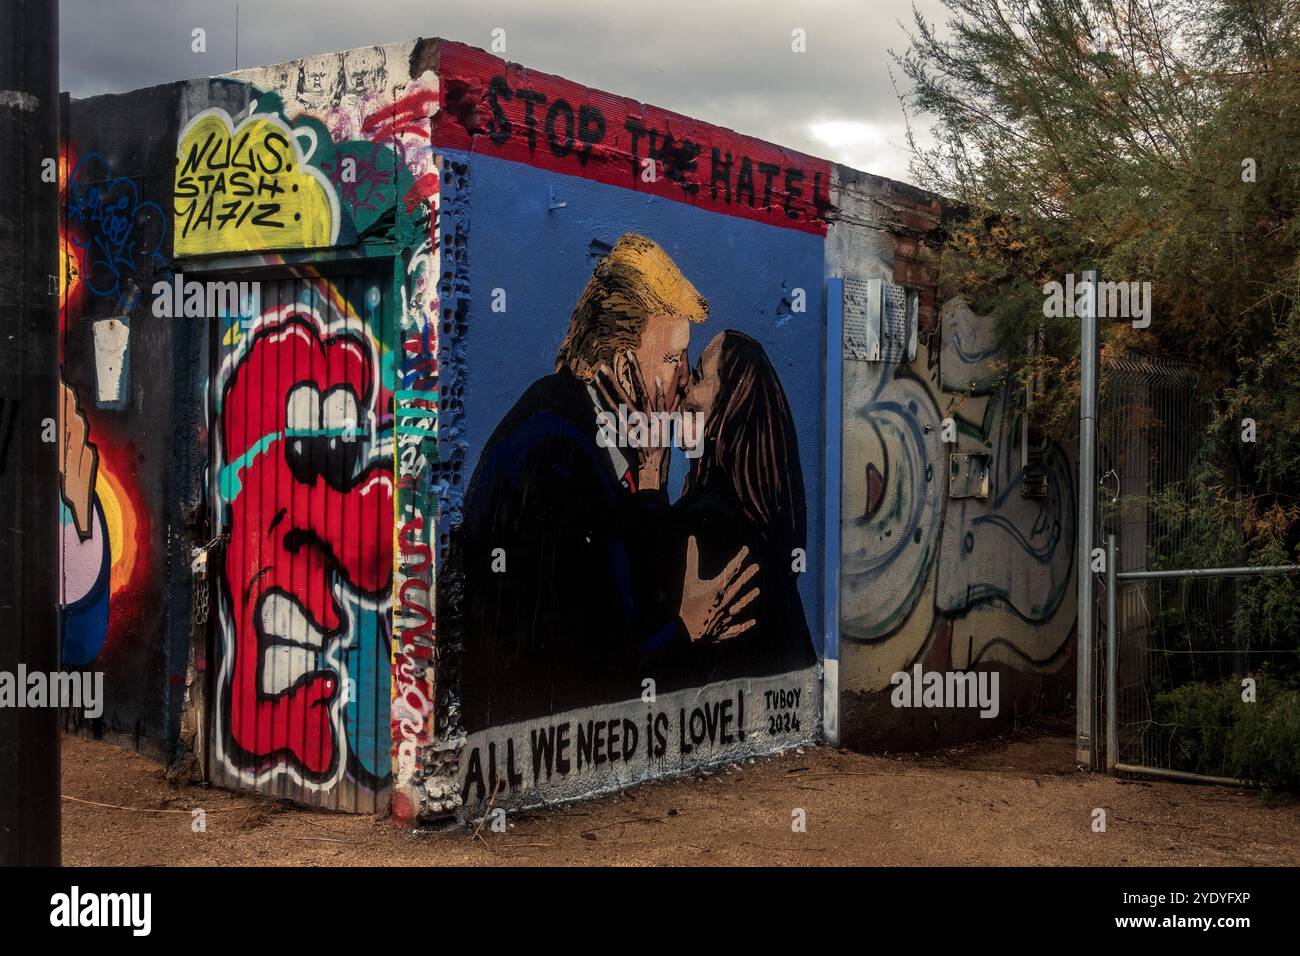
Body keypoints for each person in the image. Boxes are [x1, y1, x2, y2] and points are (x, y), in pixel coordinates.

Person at [455, 234, 759, 733]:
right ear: (622, 366)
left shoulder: (590, 432)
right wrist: (687, 629)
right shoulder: (554, 456)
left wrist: (652, 485)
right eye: (673, 359)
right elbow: (601, 664)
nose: (684, 378)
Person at [668, 330, 817, 686]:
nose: (684, 388)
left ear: (731, 406)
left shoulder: (705, 527)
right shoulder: (767, 528)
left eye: (701, 378)